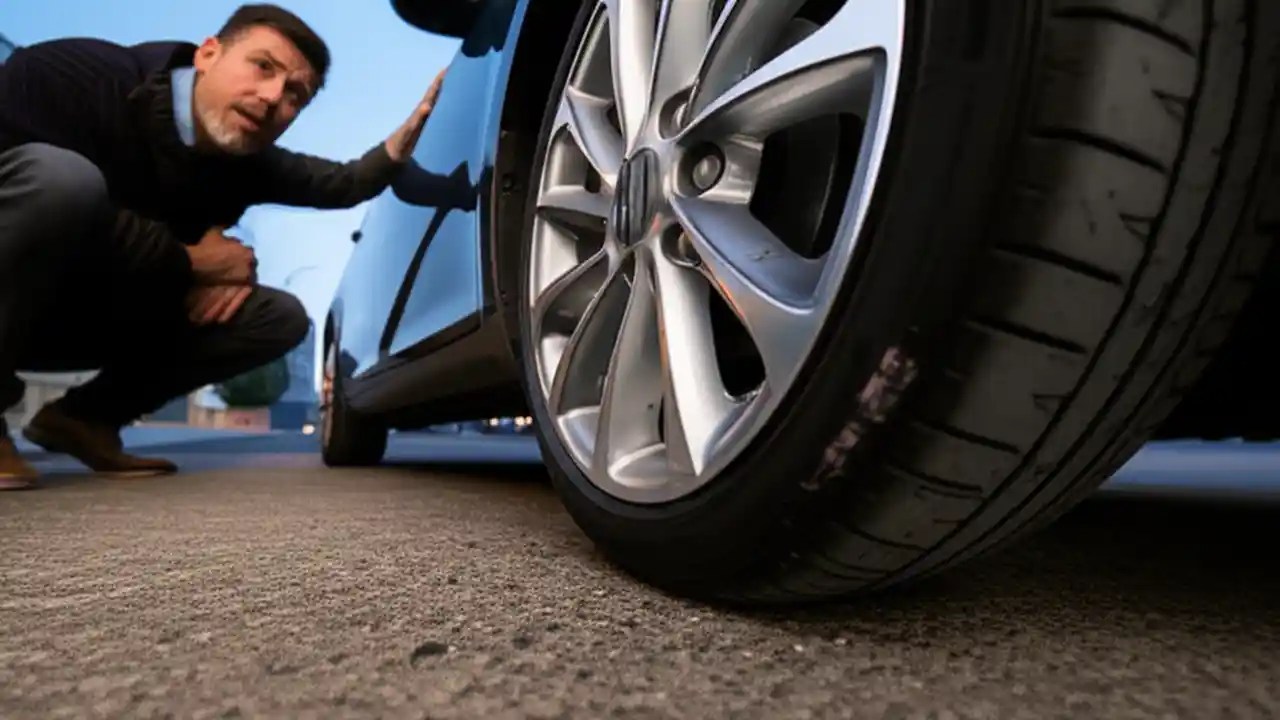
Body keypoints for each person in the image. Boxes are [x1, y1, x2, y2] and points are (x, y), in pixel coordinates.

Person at [0, 4, 445, 489]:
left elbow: (341, 182)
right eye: (264, 67)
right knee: (62, 182)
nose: (274, 96)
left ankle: (84, 419)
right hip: (18, 292)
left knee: (279, 316)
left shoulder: (248, 162)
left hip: (81, 319)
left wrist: (402, 142)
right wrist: (187, 261)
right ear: (208, 53)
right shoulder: (70, 76)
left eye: (296, 94)